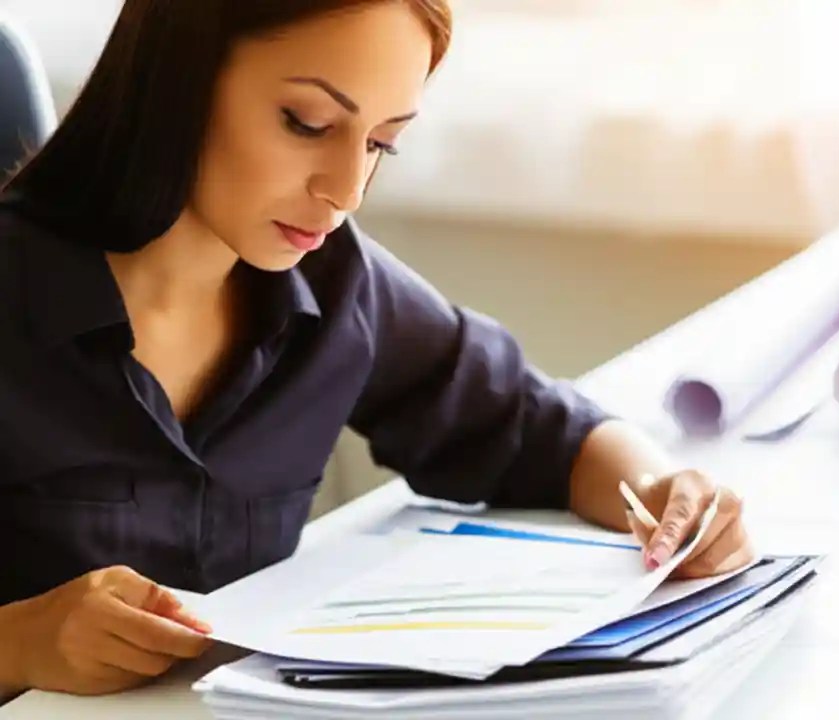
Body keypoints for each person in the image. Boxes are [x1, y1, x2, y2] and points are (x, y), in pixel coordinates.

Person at [0, 0, 753, 697]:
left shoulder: (332, 280)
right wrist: (23, 643)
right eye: (307, 121)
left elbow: (532, 426)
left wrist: (661, 495)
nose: (347, 189)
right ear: (179, 78)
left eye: (381, 144)